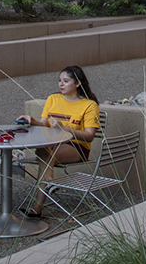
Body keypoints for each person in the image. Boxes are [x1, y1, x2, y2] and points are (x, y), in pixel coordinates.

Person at [18, 64, 100, 219]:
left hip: (76, 146)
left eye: (66, 81)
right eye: (59, 80)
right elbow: (43, 124)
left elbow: (89, 136)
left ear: (77, 84)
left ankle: (38, 205)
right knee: (44, 150)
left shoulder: (89, 105)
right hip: (53, 144)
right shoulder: (53, 99)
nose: (61, 84)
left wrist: (65, 128)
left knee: (47, 153)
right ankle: (49, 182)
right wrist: (31, 120)